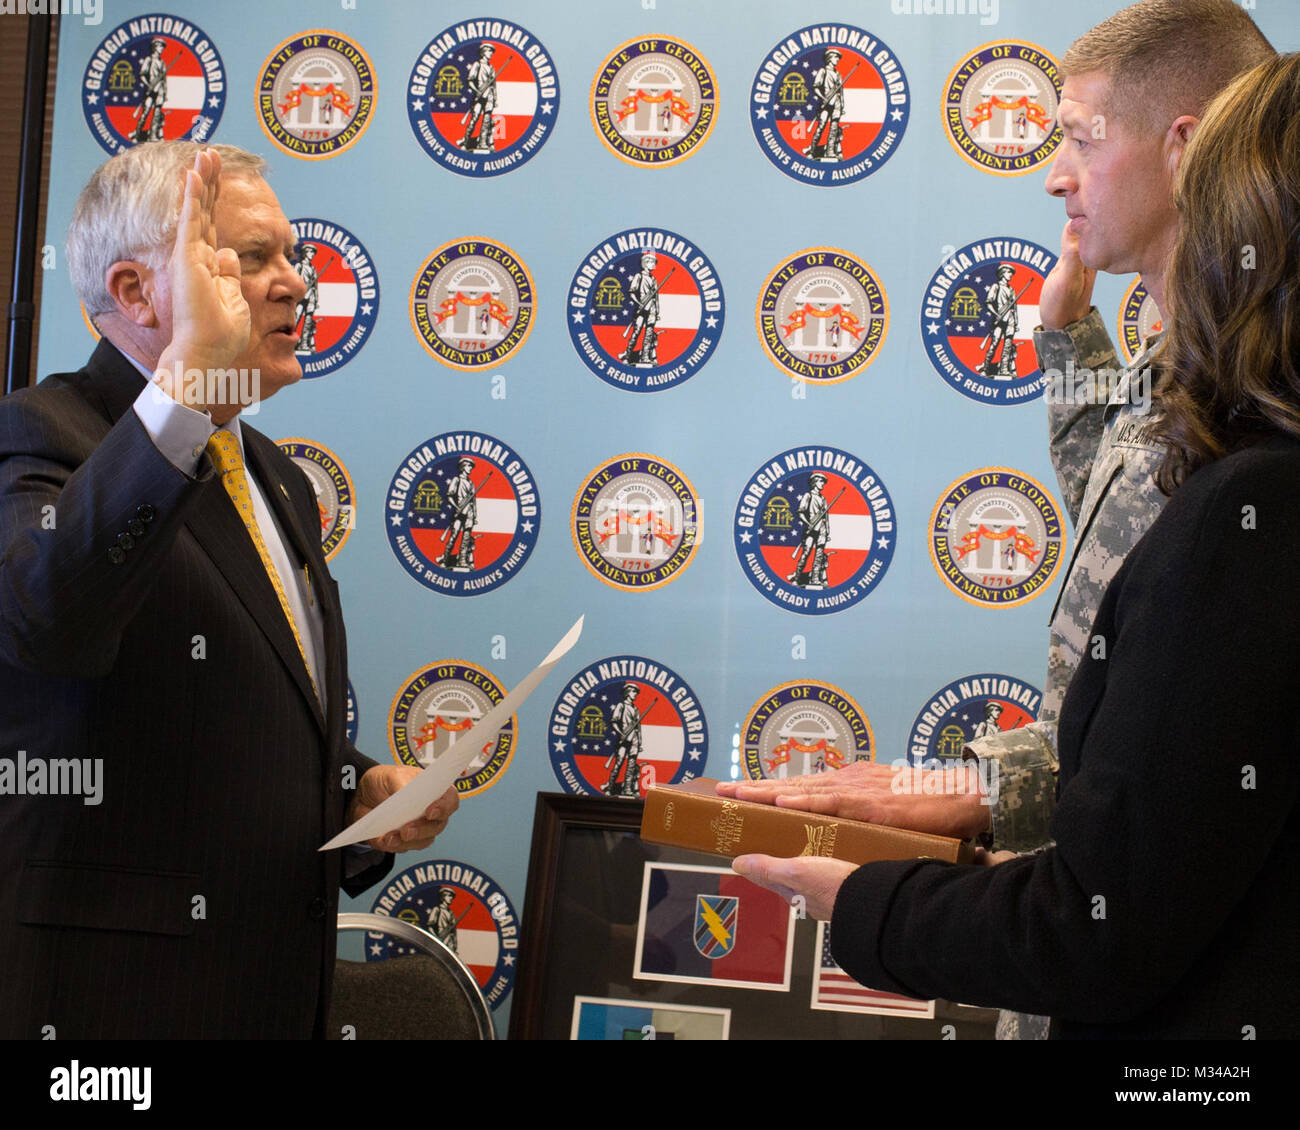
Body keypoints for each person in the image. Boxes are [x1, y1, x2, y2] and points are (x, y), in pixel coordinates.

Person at [718, 0, 1276, 1038]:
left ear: (1186, 146)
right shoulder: (1186, 384)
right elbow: (1122, 546)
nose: (1055, 175)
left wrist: (959, 804)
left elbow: (1173, 754)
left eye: (1077, 138)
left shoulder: (1250, 442)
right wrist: (1065, 344)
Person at [0, 143, 458, 1039]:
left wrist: (359, 801)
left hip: (271, 991)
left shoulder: (274, 476)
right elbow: (47, 620)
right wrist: (182, 393)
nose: (295, 284)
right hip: (112, 1008)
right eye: (253, 260)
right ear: (136, 294)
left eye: (291, 255)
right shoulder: (40, 434)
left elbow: (226, 725)